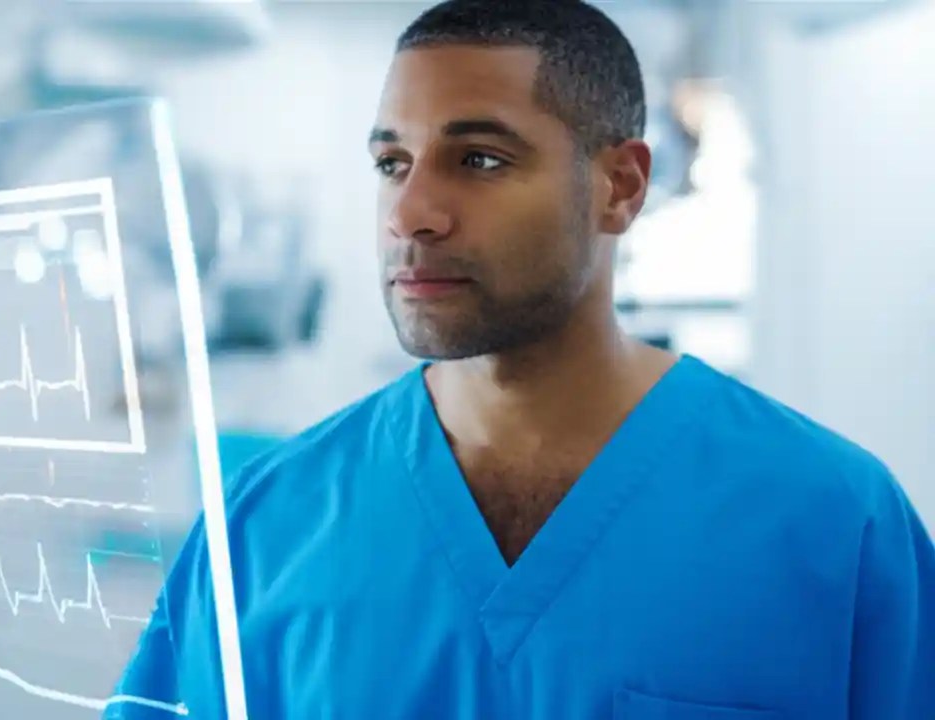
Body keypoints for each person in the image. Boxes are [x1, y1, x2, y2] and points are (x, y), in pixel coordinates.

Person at [107, 1, 935, 718]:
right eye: (392, 163)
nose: (412, 213)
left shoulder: (831, 523)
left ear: (620, 186)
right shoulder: (264, 526)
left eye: (480, 160)